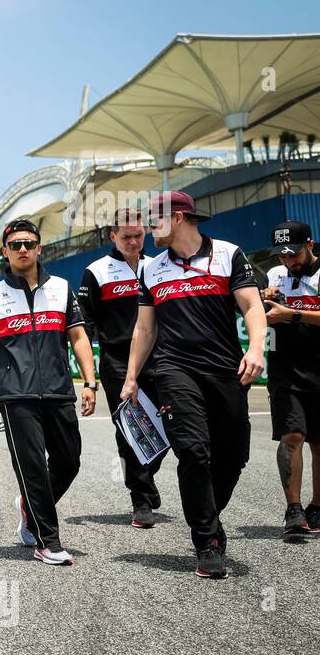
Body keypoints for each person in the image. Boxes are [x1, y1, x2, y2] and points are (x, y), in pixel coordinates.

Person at [122, 190, 266, 579]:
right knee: (193, 451)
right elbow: (145, 327)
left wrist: (255, 349)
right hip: (173, 370)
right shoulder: (150, 270)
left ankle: (209, 517)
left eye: (155, 221)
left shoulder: (229, 254)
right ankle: (206, 540)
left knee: (233, 455)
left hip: (225, 370)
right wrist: (132, 376)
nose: (150, 228)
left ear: (179, 219)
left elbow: (252, 306)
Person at [0, 219, 99, 566]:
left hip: (60, 391)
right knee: (32, 469)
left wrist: (90, 382)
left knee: (69, 462)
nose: (23, 249)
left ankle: (28, 506)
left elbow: (78, 338)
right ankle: (48, 540)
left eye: (29, 243)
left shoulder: (61, 288)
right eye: (15, 245)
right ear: (5, 252)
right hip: (16, 396)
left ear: (40, 247)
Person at [77, 209, 168, 528]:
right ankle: (140, 497)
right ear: (112, 236)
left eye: (138, 235)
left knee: (168, 426)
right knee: (130, 429)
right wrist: (88, 373)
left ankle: (146, 474)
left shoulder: (158, 266)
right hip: (116, 363)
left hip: (159, 360)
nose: (133, 241)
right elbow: (83, 324)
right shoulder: (96, 271)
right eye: (126, 236)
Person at [262, 220, 320, 536]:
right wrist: (264, 297)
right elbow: (261, 313)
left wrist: (293, 314)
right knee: (293, 435)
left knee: (319, 442)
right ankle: (293, 509)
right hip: (285, 369)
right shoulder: (275, 275)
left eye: (293, 254)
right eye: (282, 255)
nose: (288, 261)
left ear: (309, 245)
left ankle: (317, 507)